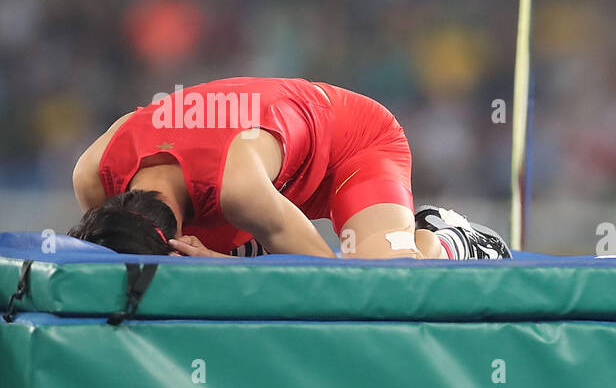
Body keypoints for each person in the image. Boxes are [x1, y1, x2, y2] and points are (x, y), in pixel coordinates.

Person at [68, 77, 510, 260]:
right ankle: (248, 245)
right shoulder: (92, 173)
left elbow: (322, 277)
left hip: (351, 146)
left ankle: (449, 240)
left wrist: (229, 269)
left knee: (387, 288)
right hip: (269, 168)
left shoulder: (237, 186)